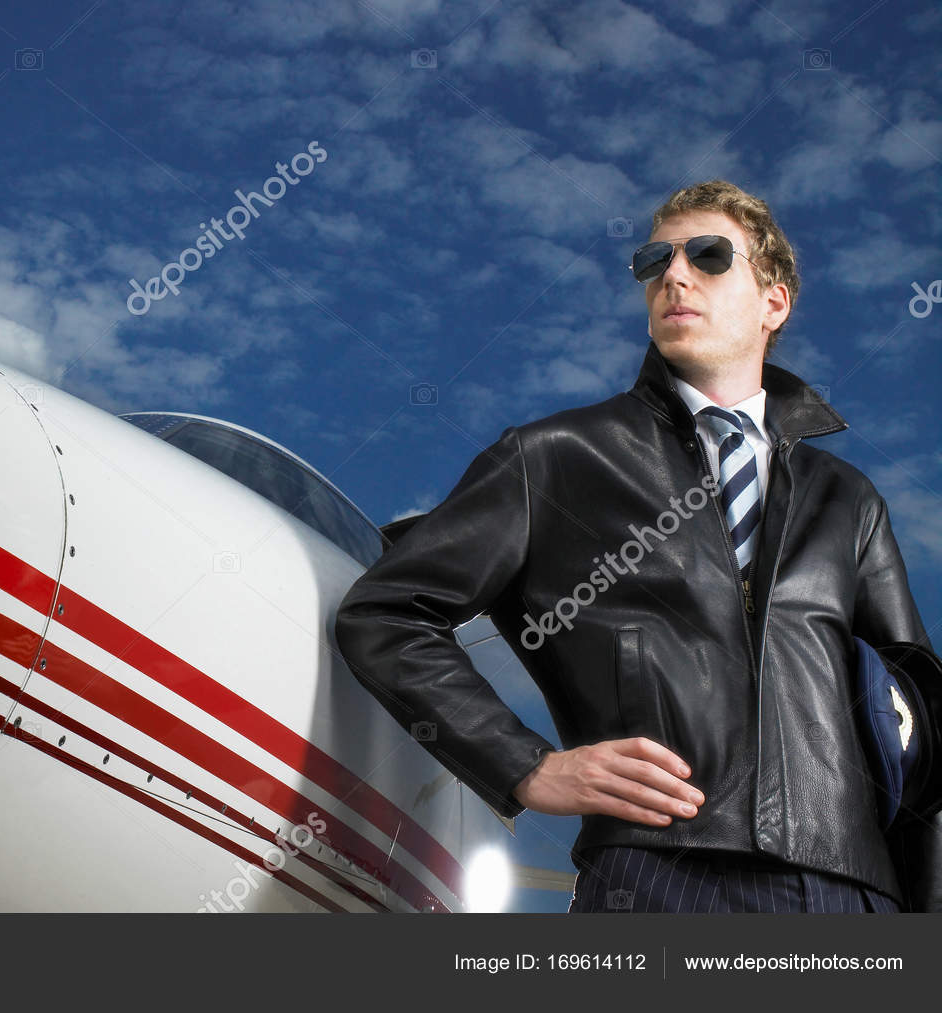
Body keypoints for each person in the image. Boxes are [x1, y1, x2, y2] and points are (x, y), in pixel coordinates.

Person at [334, 179, 941, 912]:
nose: (674, 275)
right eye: (655, 261)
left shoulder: (849, 500)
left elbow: (919, 723)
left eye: (709, 256)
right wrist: (525, 764)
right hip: (657, 878)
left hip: (855, 892)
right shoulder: (555, 458)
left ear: (774, 302)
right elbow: (387, 612)